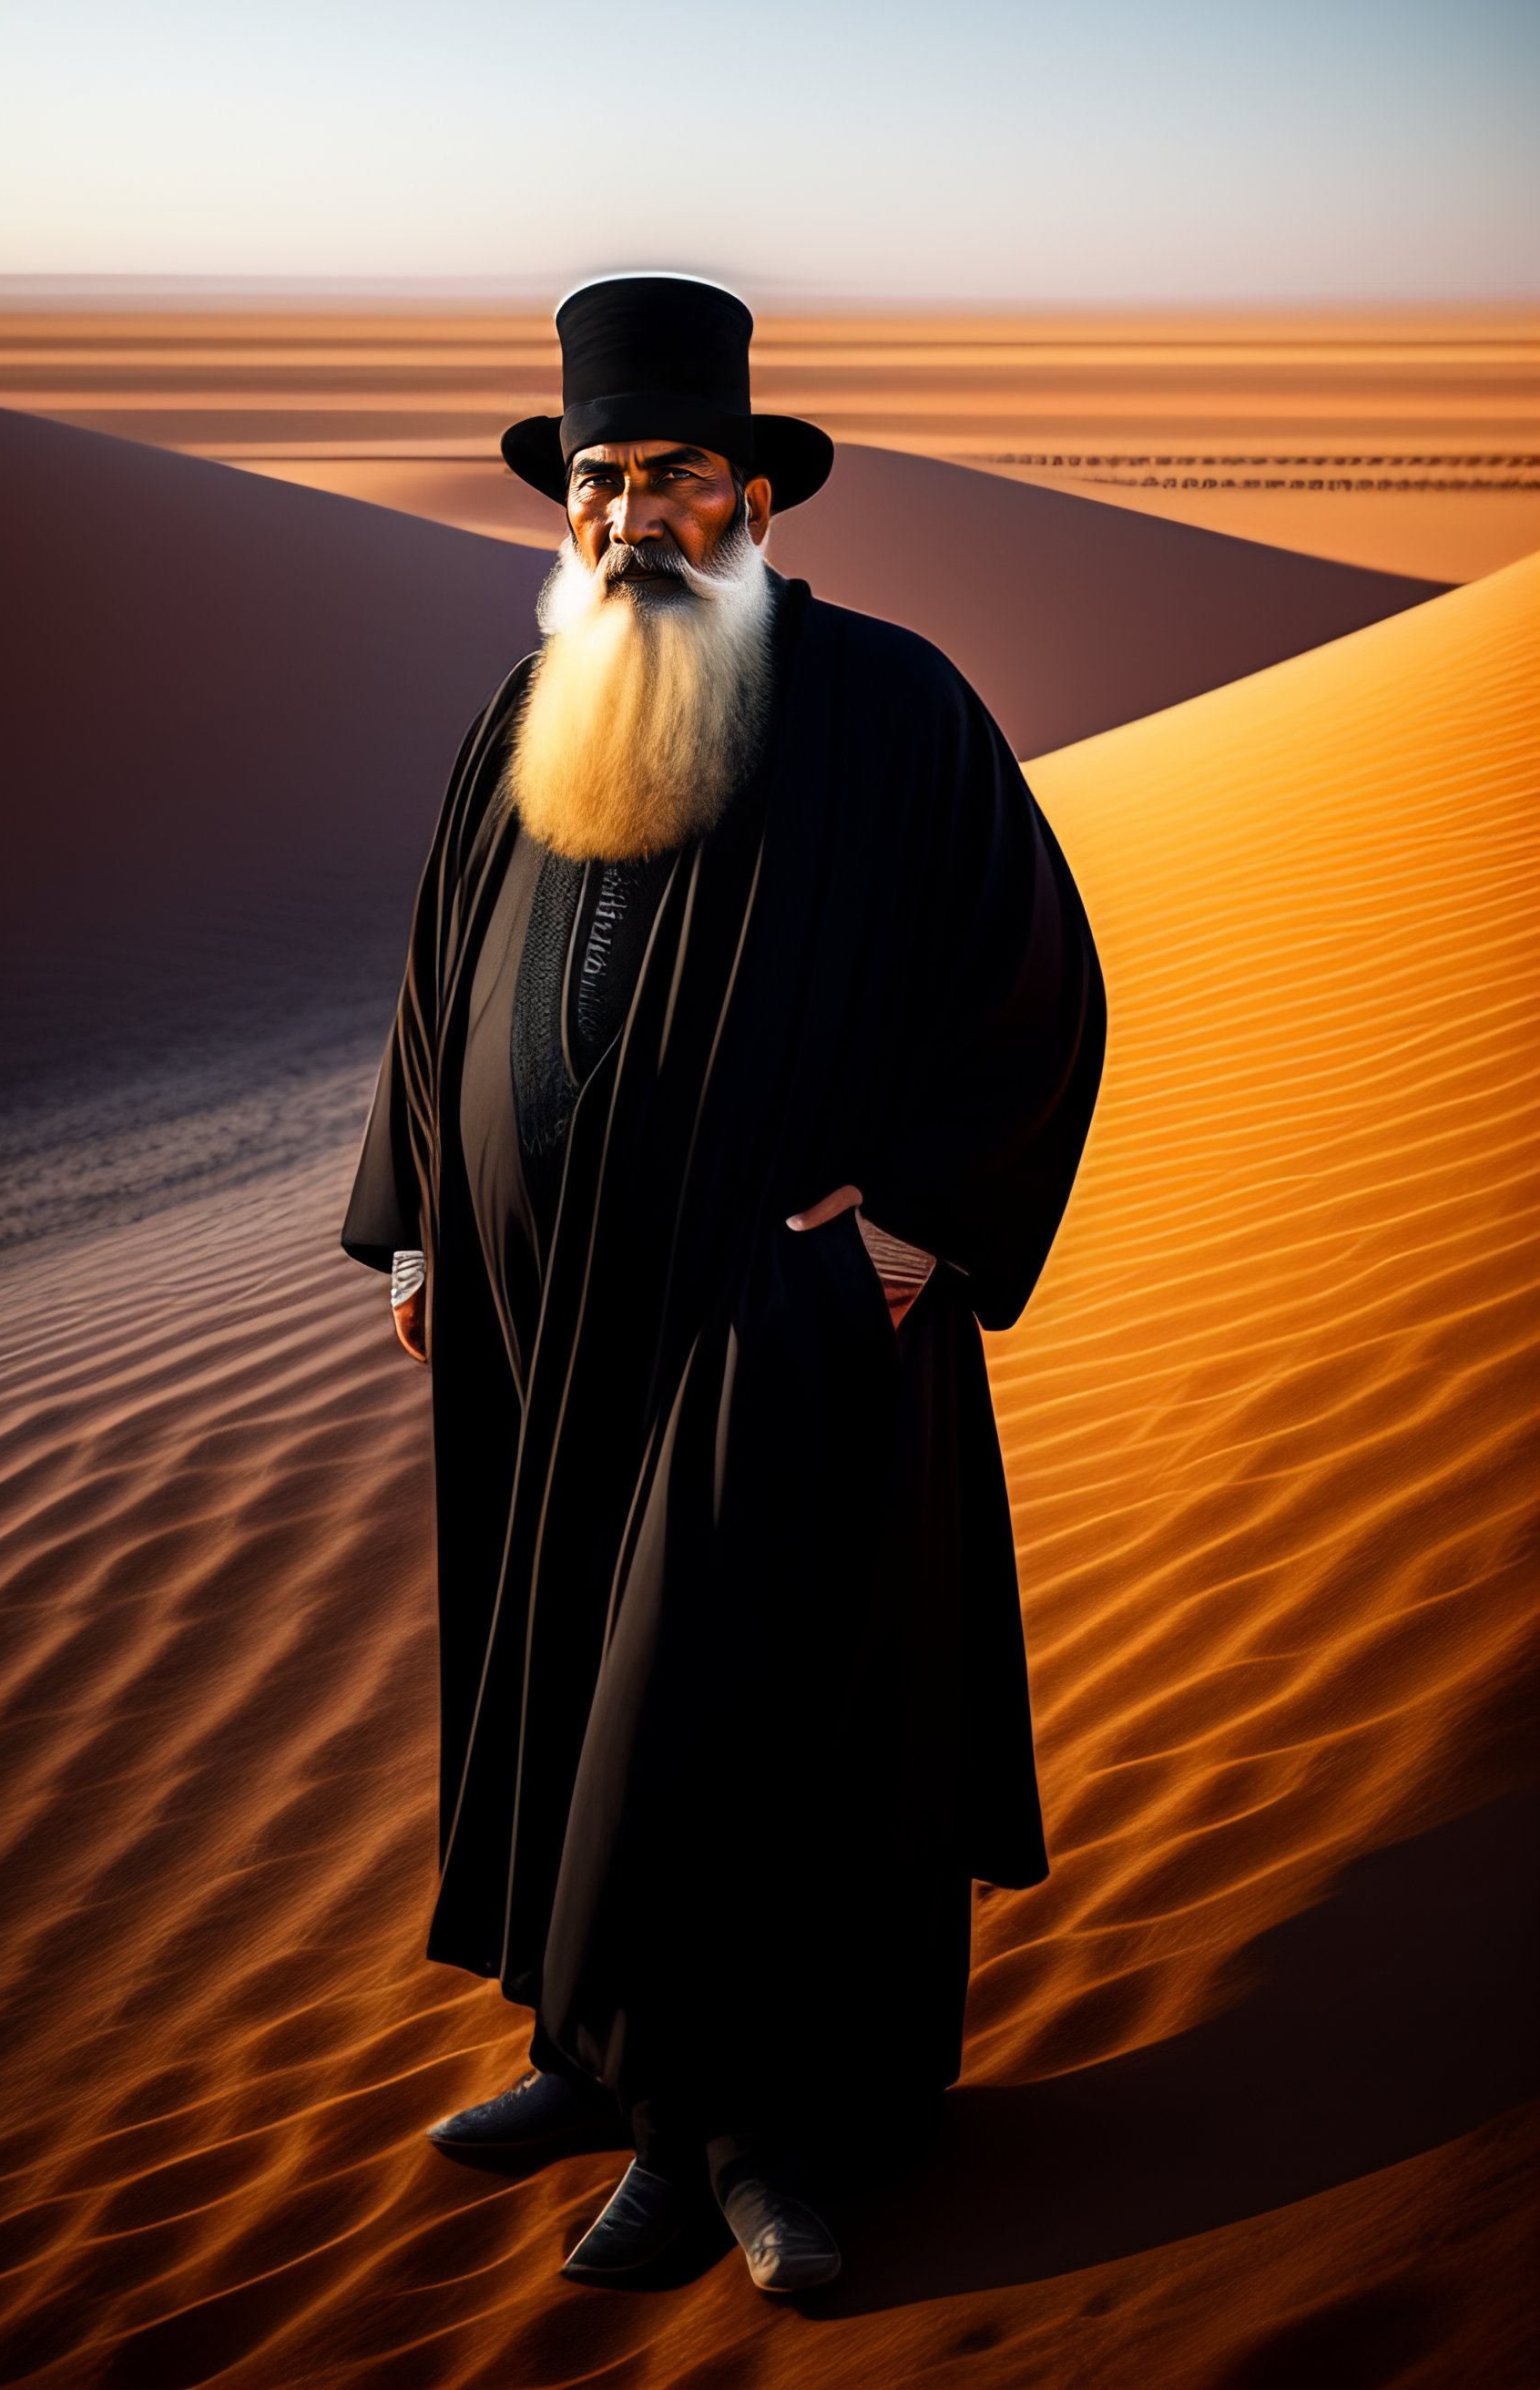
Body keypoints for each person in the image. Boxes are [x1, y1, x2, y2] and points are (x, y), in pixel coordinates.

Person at [342, 273, 1106, 2294]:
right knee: (580, 1686)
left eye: (671, 474)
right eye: (594, 480)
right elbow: (438, 983)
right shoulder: (523, 713)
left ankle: (754, 2140)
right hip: (542, 1324)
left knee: (758, 1715)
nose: (626, 516)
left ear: (755, 493)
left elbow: (1034, 979)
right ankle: (597, 2064)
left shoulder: (892, 707)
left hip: (783, 1334)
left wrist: (924, 1218)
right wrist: (422, 1217)